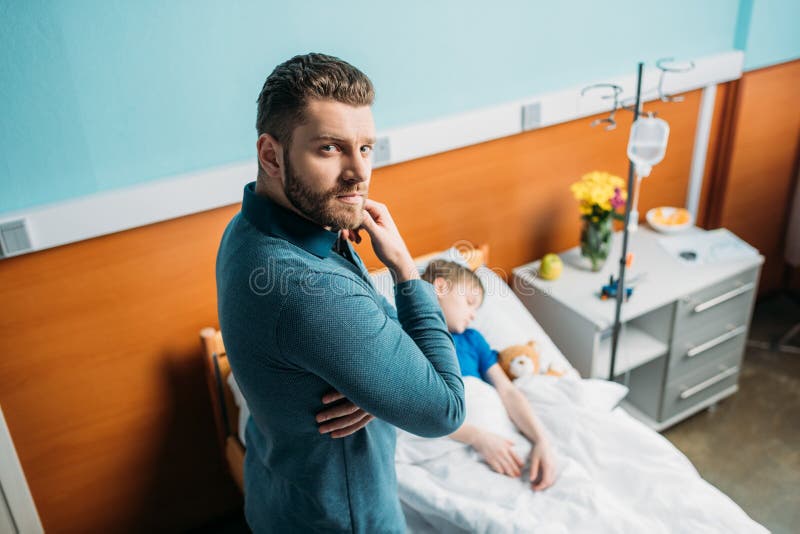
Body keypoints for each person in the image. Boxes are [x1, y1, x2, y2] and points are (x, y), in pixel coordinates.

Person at [215, 53, 465, 533]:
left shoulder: (247, 228)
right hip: (347, 518)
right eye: (330, 148)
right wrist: (406, 271)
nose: (358, 173)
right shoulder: (307, 290)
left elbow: (342, 332)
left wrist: (371, 378)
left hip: (280, 489)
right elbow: (446, 408)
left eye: (366, 148)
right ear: (271, 154)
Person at [421, 259, 558, 491]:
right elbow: (417, 409)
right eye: (470, 302)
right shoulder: (410, 339)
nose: (473, 315)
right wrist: (477, 438)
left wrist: (541, 440)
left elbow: (508, 391)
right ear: (440, 287)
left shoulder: (473, 340)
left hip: (495, 427)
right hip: (450, 438)